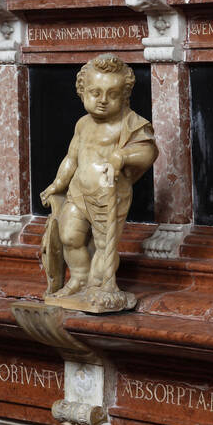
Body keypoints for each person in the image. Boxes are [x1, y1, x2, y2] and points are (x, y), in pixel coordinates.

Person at [40, 54, 157, 311]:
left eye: (112, 94)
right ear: (82, 92)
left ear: (124, 97)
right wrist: (58, 184)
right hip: (79, 192)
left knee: (106, 245)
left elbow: (149, 152)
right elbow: (71, 159)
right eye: (95, 92)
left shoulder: (128, 123)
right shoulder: (82, 124)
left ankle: (98, 285)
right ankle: (79, 279)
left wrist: (123, 155)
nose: (103, 100)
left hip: (109, 194)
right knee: (69, 235)